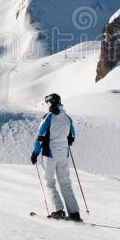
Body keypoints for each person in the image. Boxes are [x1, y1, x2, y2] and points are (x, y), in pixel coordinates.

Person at [31, 93, 82, 222]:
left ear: (50, 103)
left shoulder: (48, 117)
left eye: (47, 103)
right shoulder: (67, 118)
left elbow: (40, 136)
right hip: (63, 155)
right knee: (65, 183)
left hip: (49, 155)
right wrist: (64, 144)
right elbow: (72, 137)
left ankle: (57, 211)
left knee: (49, 182)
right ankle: (74, 213)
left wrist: (35, 152)